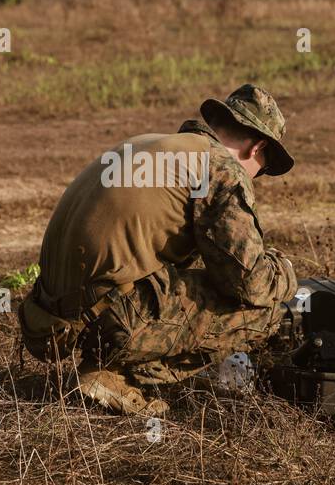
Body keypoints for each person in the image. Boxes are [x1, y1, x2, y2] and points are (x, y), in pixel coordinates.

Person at [19, 84, 299, 415]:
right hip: (108, 317)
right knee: (267, 311)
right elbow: (248, 283)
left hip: (47, 318)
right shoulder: (220, 166)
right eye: (263, 170)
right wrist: (285, 274)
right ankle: (116, 373)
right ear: (257, 147)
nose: (257, 177)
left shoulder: (150, 144)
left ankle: (107, 365)